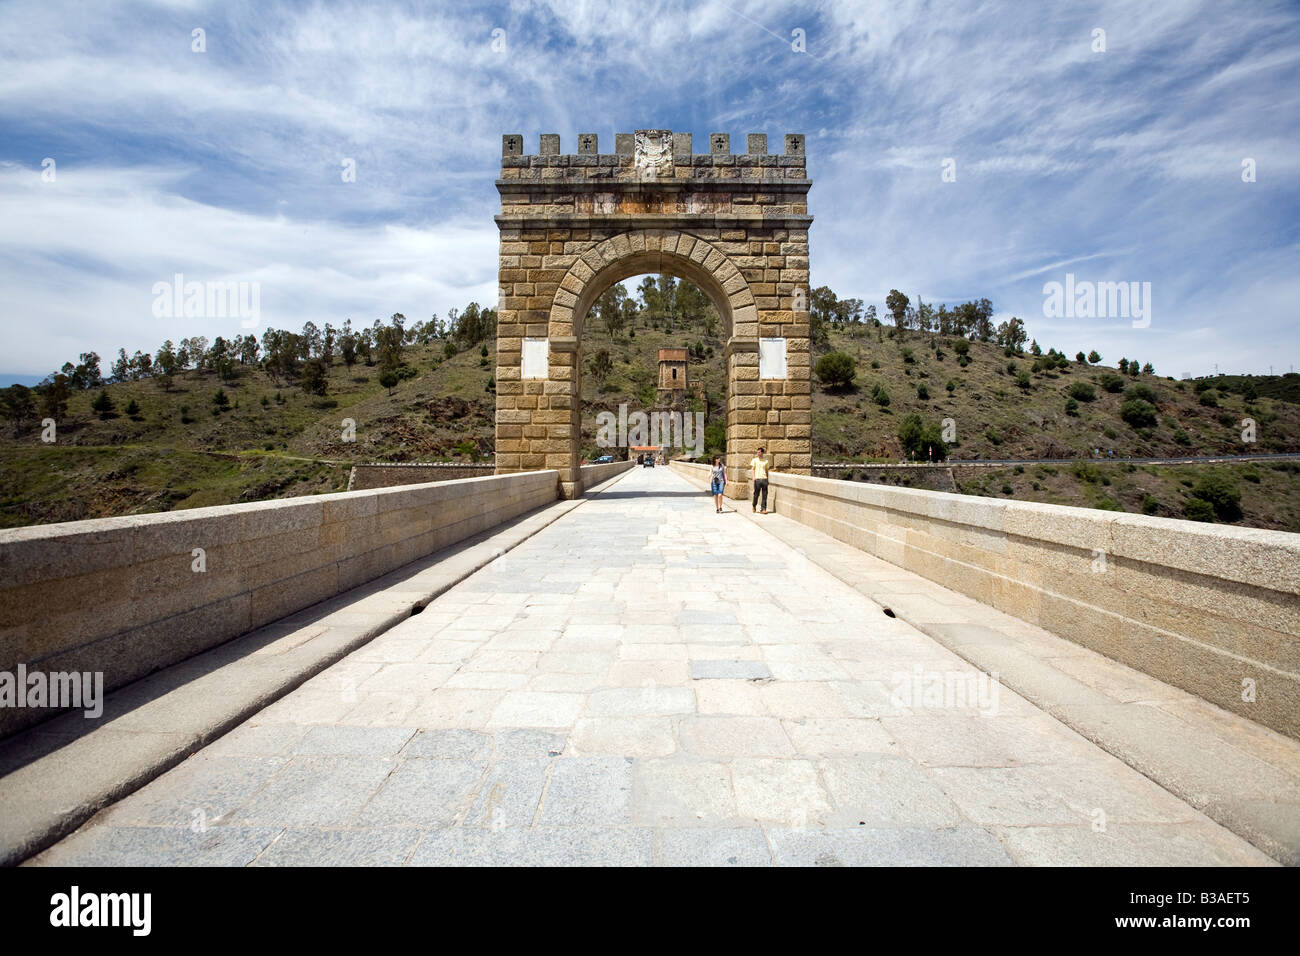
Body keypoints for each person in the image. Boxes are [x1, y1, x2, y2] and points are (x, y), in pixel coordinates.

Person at [749, 446, 770, 514]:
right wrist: (753, 477)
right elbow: (752, 469)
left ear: (762, 453)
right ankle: (754, 505)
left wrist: (767, 479)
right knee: (756, 494)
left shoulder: (766, 461)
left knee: (765, 495)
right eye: (757, 452)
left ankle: (763, 509)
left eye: (759, 452)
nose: (758, 453)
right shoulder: (754, 460)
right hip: (757, 479)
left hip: (764, 479)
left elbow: (767, 470)